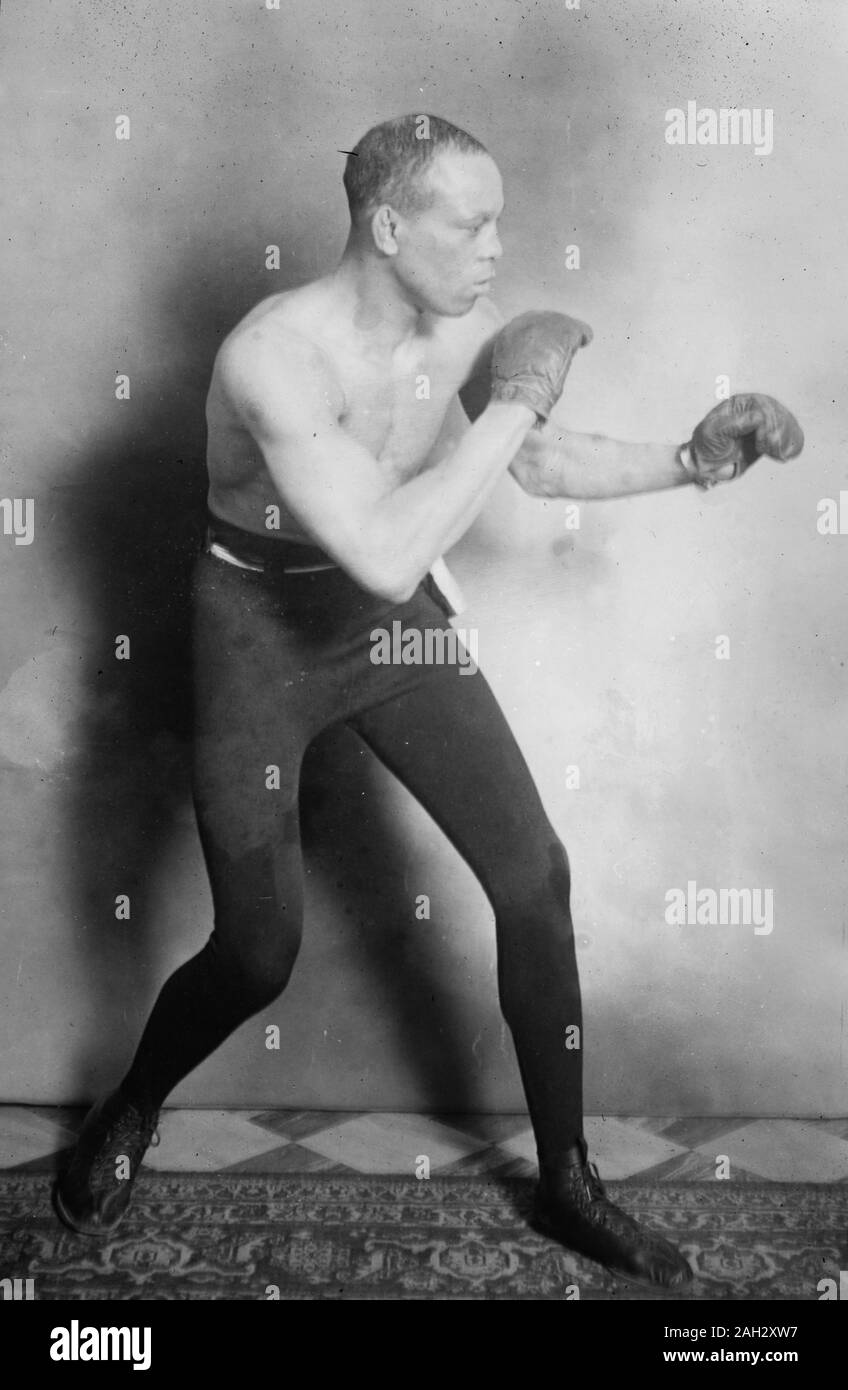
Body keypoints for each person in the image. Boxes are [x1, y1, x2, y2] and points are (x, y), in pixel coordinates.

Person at [54, 114, 803, 1290]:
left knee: (533, 877)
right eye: (472, 222)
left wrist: (689, 461)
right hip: (258, 630)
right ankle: (131, 1105)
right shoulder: (273, 355)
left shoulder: (450, 333)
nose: (497, 246)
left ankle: (566, 1181)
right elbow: (382, 547)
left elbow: (538, 463)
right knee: (259, 952)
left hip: (383, 636)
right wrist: (514, 396)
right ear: (389, 226)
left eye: (498, 219)